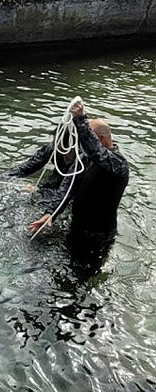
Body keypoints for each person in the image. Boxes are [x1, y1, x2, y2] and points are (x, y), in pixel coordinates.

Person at [27, 102, 129, 277]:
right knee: (61, 273)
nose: (80, 144)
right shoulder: (85, 158)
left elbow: (98, 154)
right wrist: (50, 213)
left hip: (97, 238)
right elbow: (68, 186)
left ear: (101, 140)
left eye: (86, 139)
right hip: (76, 228)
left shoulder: (117, 165)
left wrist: (81, 120)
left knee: (82, 279)